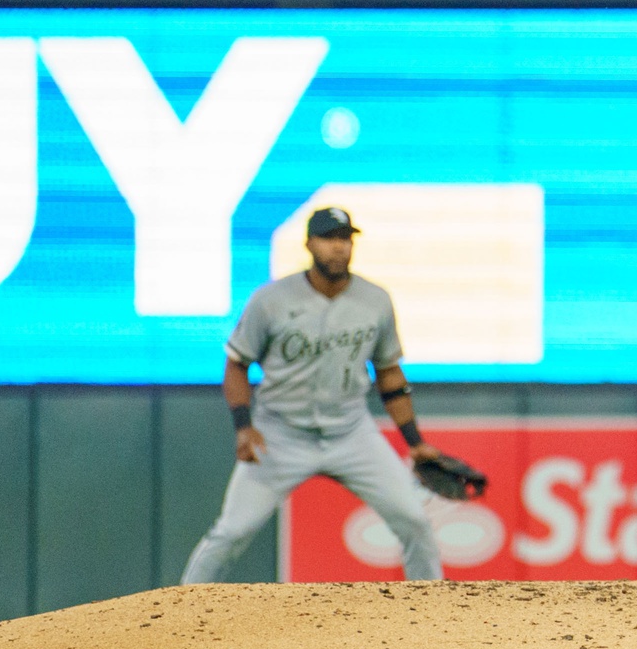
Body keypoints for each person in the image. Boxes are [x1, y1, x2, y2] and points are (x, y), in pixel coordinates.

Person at [181, 207, 445, 584]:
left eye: (345, 239)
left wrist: (415, 443)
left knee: (415, 522)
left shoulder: (375, 300)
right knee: (232, 532)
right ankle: (175, 614)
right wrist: (244, 426)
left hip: (351, 433)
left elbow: (389, 374)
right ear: (309, 244)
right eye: (329, 239)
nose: (338, 248)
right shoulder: (270, 300)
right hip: (280, 434)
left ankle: (436, 615)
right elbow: (237, 363)